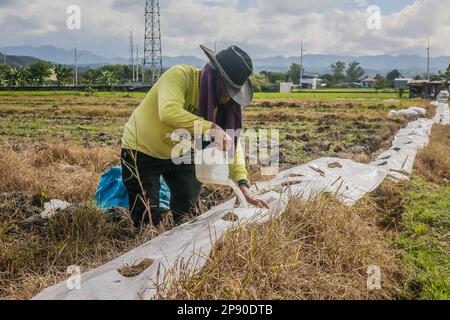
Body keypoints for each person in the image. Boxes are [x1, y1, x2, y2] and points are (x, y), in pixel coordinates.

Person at [121, 44, 269, 227]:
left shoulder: (222, 104)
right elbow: (168, 112)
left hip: (180, 153)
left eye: (233, 93)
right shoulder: (180, 76)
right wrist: (210, 127)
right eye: (226, 89)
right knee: (146, 219)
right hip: (142, 149)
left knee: (189, 214)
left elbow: (230, 141)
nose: (228, 97)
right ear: (214, 77)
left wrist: (241, 182)